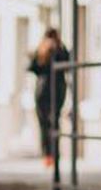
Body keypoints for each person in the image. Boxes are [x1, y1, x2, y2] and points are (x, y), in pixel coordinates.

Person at [28, 27, 70, 167]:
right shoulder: (60, 49)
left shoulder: (43, 49)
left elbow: (32, 67)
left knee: (44, 123)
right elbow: (68, 66)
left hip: (43, 89)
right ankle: (54, 154)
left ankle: (48, 155)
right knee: (54, 121)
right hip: (58, 89)